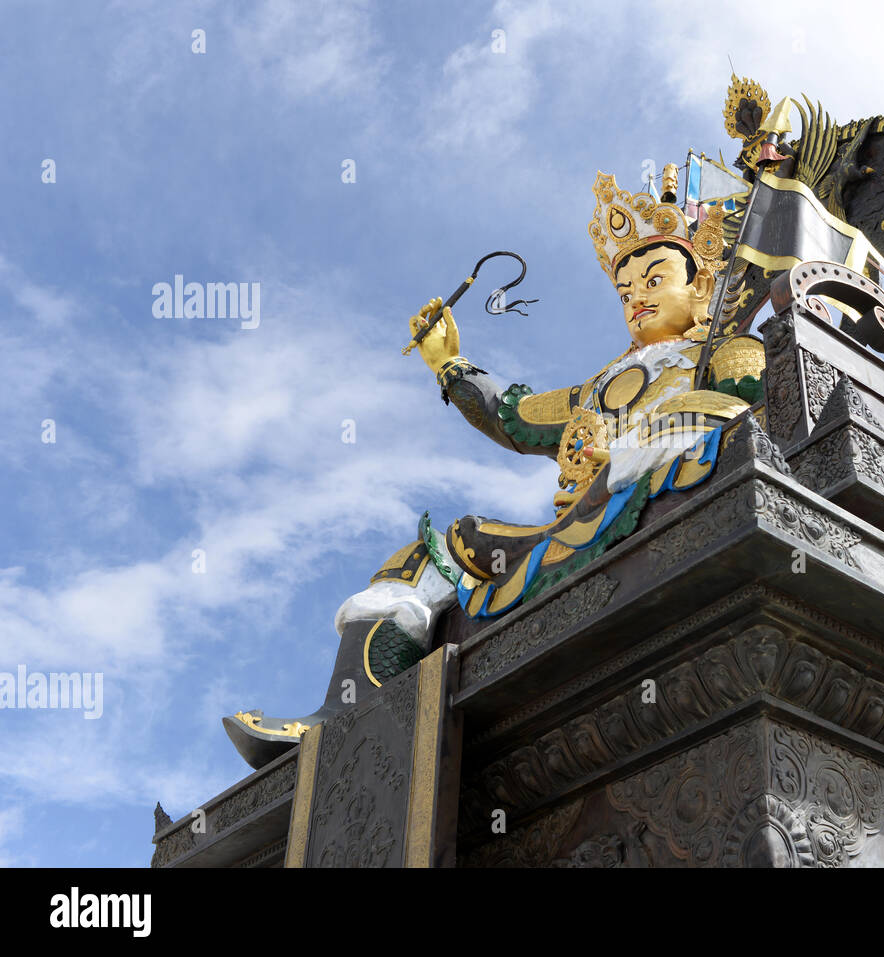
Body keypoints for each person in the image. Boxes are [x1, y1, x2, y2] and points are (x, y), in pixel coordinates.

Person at [224, 171, 766, 769]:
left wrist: (631, 453)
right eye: (624, 289)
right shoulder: (596, 388)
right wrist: (451, 364)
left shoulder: (725, 350)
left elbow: (739, 411)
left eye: (655, 280)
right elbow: (515, 414)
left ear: (702, 289)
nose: (636, 297)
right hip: (568, 530)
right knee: (432, 552)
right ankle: (352, 715)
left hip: (649, 506)